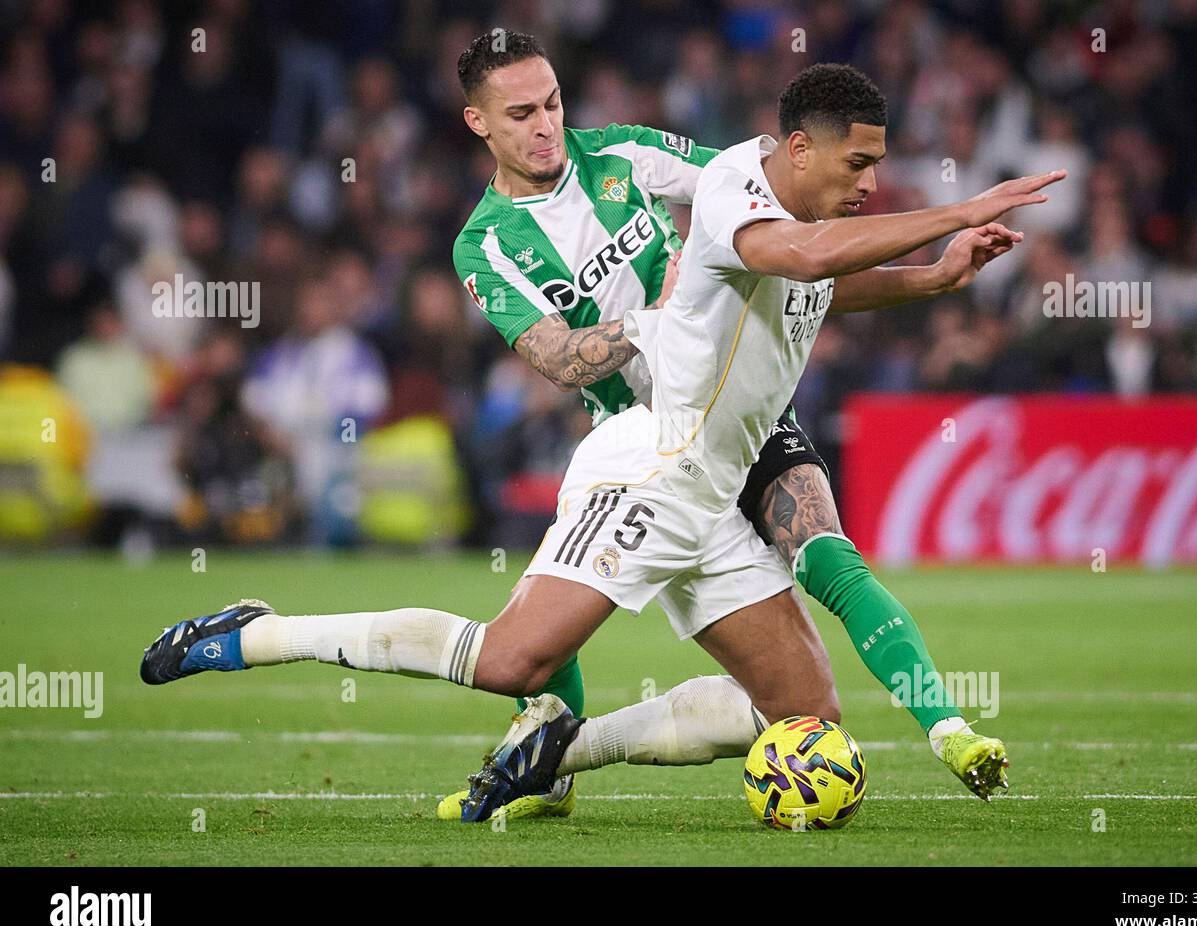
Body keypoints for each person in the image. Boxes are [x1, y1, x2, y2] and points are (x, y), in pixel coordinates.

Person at [139, 58, 1059, 822]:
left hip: (719, 470)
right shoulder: (502, 239)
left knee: (807, 717)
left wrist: (931, 277)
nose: (546, 126)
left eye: (553, 103)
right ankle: (264, 633)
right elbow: (574, 350)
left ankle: (566, 749)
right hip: (648, 455)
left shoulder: (666, 165)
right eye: (521, 112)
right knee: (511, 661)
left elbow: (804, 272)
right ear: (479, 123)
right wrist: (653, 324)